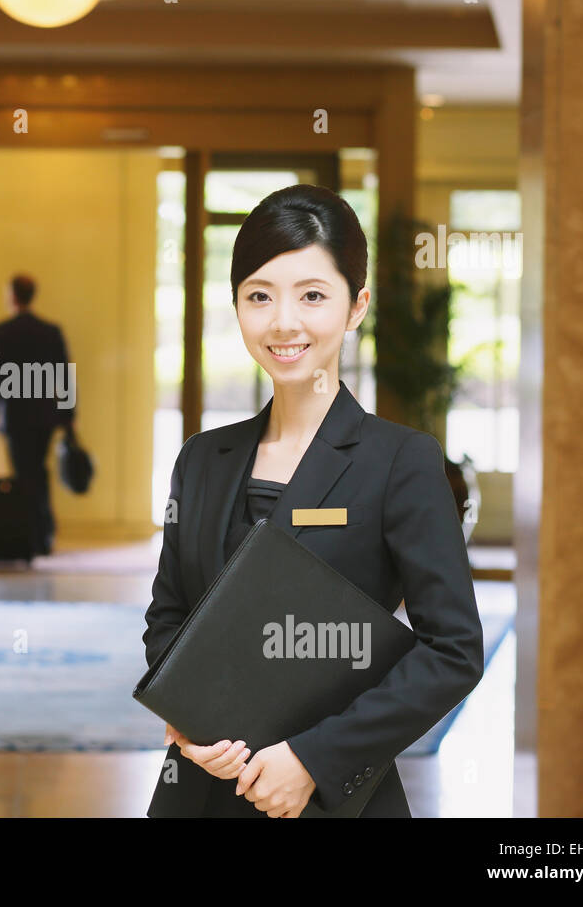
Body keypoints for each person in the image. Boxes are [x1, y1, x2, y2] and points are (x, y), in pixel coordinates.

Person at [143, 184, 484, 817]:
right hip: (196, 792)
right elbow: (168, 616)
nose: (283, 322)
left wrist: (312, 759)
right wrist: (191, 717)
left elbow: (453, 652)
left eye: (312, 295)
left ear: (356, 307)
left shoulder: (401, 462)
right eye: (260, 296)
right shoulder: (201, 459)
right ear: (237, 305)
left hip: (328, 799)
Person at [0, 274, 76, 556]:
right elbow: (64, 376)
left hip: (17, 416)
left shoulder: (2, 331)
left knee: (24, 475)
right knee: (39, 472)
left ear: (12, 296)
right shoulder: (50, 331)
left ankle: (31, 538)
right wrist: (69, 414)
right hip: (45, 415)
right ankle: (44, 535)